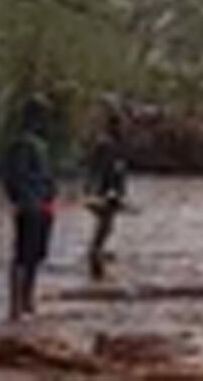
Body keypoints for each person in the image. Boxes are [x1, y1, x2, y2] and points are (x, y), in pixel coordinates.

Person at [1, 94, 57, 322]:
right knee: (22, 256)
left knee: (36, 256)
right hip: (30, 207)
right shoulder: (22, 144)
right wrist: (23, 202)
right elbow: (15, 178)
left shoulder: (41, 145)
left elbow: (46, 178)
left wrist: (51, 196)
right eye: (41, 115)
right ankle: (15, 307)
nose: (44, 121)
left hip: (44, 207)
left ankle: (28, 302)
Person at [84, 100, 129, 280]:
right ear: (114, 126)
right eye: (122, 125)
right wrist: (97, 194)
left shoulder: (114, 144)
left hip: (110, 193)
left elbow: (117, 172)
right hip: (103, 195)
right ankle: (95, 265)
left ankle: (97, 262)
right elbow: (99, 171)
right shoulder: (105, 145)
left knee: (106, 228)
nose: (125, 129)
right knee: (103, 229)